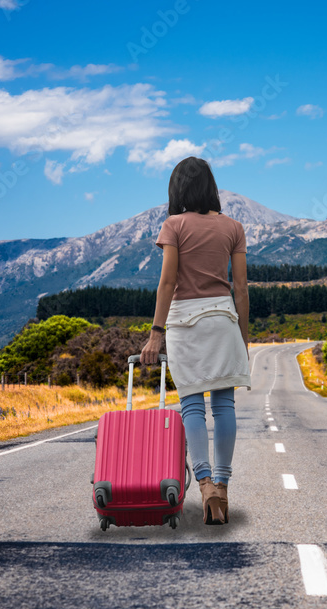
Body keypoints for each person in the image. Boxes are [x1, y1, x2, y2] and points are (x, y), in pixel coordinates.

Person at [140, 156, 251, 525]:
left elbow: (167, 282)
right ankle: (223, 488)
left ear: (178, 189)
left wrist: (155, 334)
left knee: (191, 406)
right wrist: (242, 339)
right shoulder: (233, 227)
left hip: (184, 323)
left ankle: (204, 486)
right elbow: (241, 289)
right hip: (223, 320)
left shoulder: (174, 225)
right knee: (224, 406)